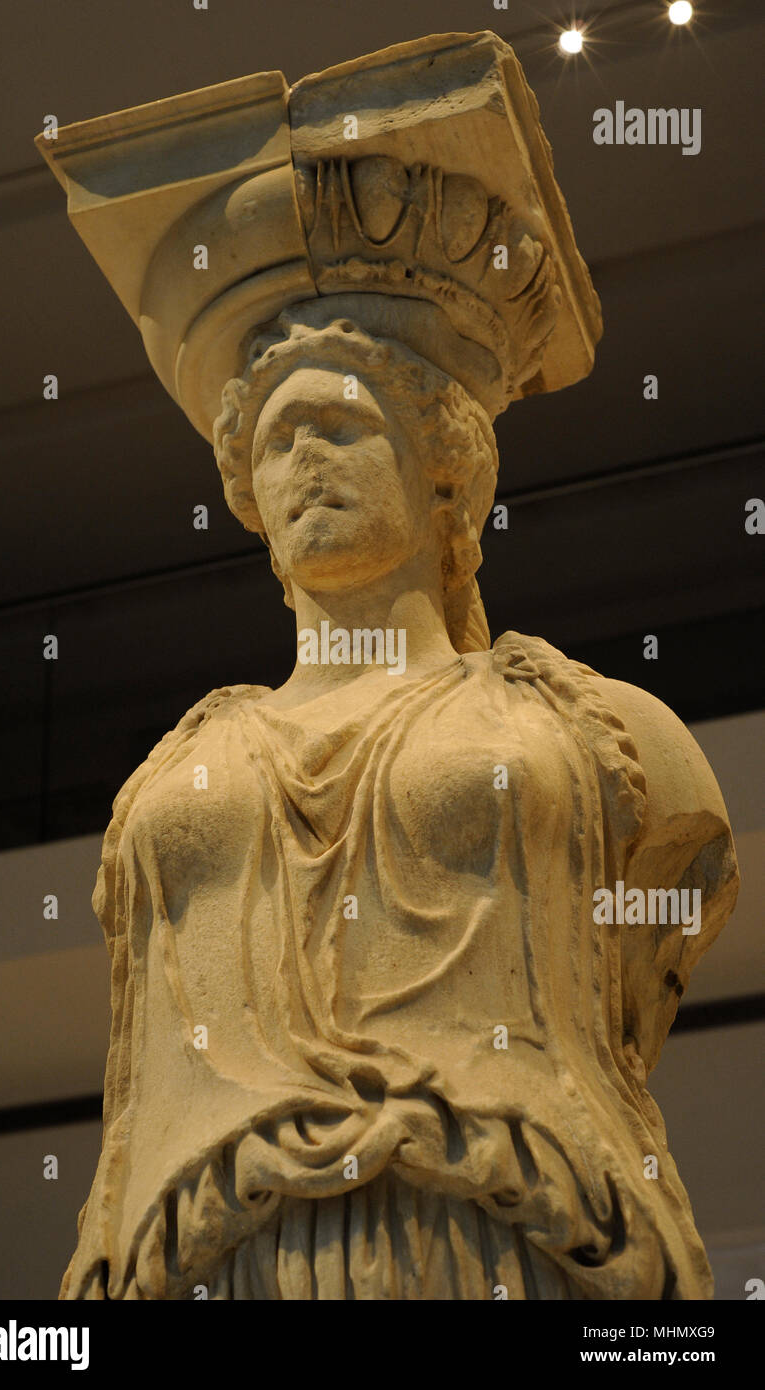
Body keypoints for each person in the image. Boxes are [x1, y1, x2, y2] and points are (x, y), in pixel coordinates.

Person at [60, 312, 738, 1300]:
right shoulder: (176, 773)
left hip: (500, 1226)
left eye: (338, 424)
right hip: (210, 1243)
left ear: (445, 472)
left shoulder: (597, 731)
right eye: (274, 442)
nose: (302, 460)